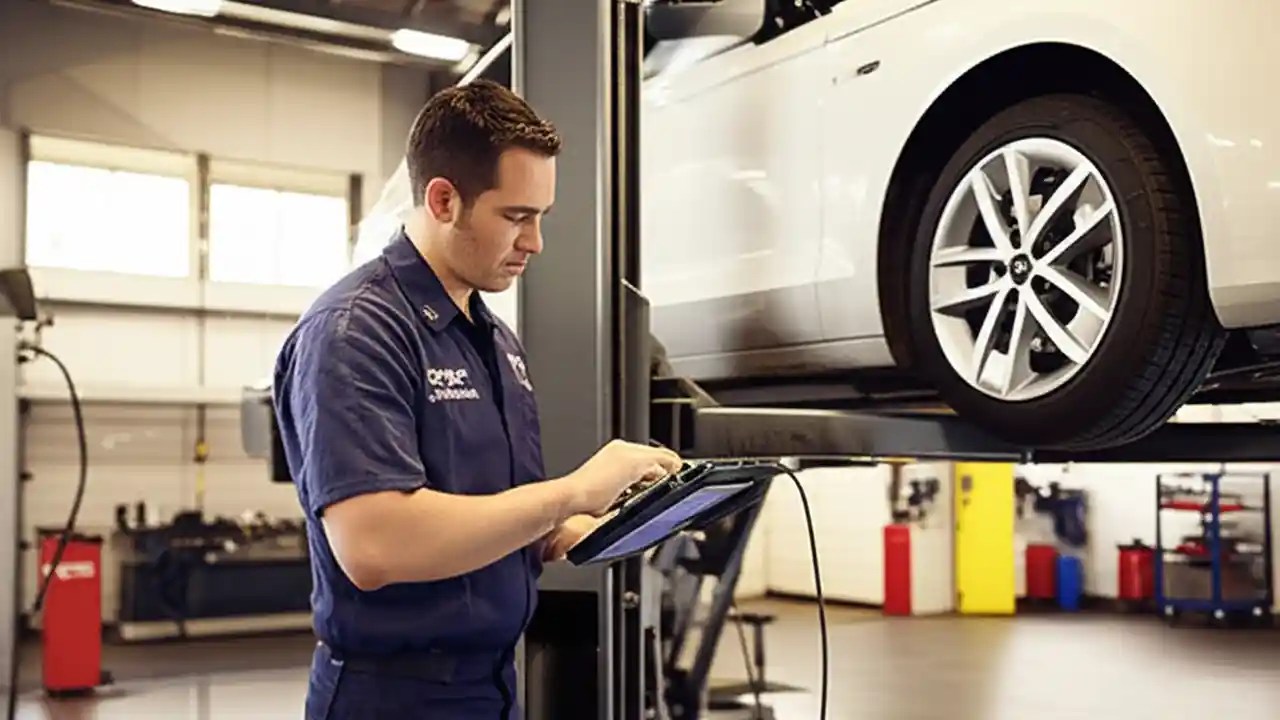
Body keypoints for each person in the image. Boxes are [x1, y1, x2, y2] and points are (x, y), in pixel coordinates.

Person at [271, 79, 683, 720]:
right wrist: (571, 491)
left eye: (540, 217)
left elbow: (505, 523)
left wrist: (617, 522)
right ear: (443, 200)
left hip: (491, 687)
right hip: (393, 698)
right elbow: (374, 547)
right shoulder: (356, 331)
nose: (535, 242)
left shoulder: (495, 342)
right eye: (516, 217)